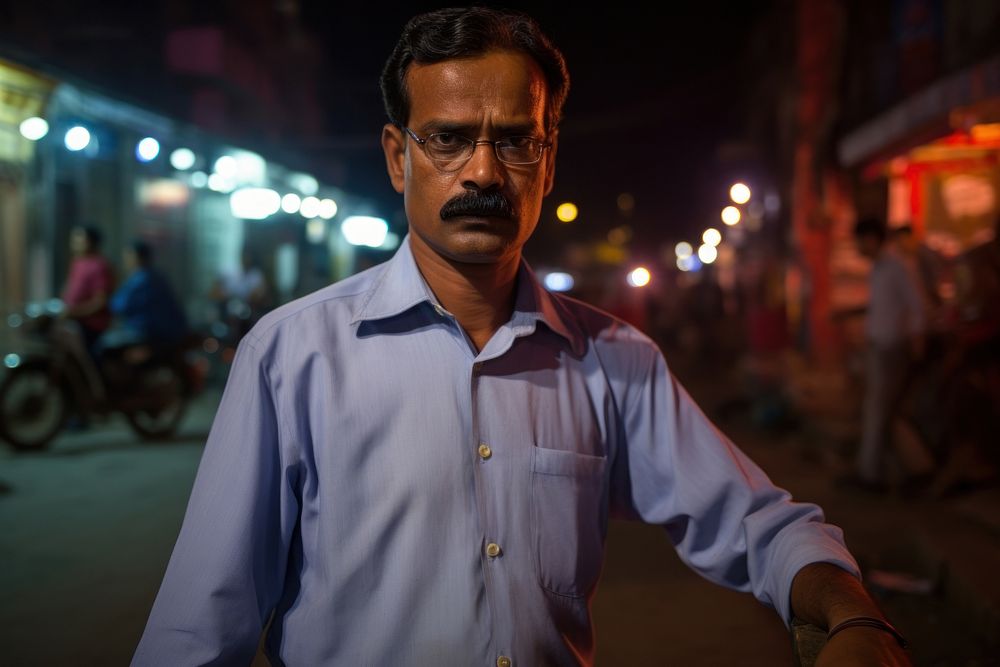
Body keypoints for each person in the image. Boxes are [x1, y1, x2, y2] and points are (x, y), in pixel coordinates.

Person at [134, 8, 910, 666]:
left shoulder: (614, 360)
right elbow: (198, 630)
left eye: (513, 140)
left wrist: (853, 616)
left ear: (548, 159)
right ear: (398, 158)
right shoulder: (292, 355)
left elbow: (757, 523)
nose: (482, 172)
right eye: (447, 139)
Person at [849, 217, 927, 492]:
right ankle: (903, 470)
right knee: (882, 412)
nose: (857, 247)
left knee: (880, 412)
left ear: (871, 239)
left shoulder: (896, 266)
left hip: (892, 349)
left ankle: (872, 476)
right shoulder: (880, 268)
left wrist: (916, 342)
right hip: (880, 347)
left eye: (859, 241)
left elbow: (916, 305)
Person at [99, 240, 188, 357]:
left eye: (128, 256)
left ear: (136, 257)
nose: (125, 261)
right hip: (168, 332)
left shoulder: (140, 279)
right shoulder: (157, 276)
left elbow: (118, 306)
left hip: (149, 332)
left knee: (102, 346)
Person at [61, 224, 115, 351]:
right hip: (74, 321)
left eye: (79, 239)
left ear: (91, 242)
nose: (75, 243)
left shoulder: (99, 266)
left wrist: (74, 312)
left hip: (91, 326)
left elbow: (100, 302)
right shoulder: (77, 262)